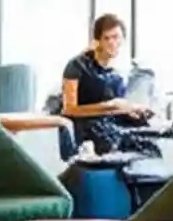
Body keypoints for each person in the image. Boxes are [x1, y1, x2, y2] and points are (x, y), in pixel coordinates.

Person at [60, 14, 157, 157]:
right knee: (110, 136)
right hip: (86, 123)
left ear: (123, 40)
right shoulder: (77, 66)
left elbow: (117, 106)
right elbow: (69, 109)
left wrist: (131, 110)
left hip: (111, 120)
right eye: (106, 38)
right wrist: (109, 107)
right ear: (98, 41)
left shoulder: (116, 73)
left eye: (116, 37)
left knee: (146, 133)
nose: (112, 42)